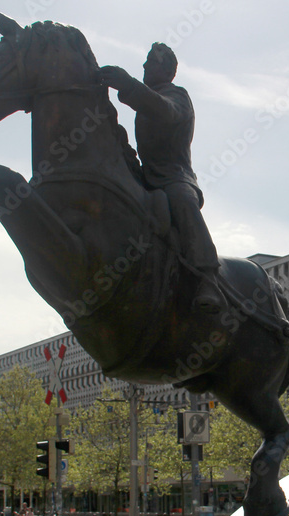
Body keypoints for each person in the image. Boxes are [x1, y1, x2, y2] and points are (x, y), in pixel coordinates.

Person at [100, 43, 225, 313]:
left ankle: (207, 277)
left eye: (150, 62)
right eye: (145, 62)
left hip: (174, 177)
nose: (144, 66)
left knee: (182, 201)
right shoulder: (147, 98)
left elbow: (164, 111)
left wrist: (128, 85)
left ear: (166, 70)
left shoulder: (177, 97)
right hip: (146, 175)